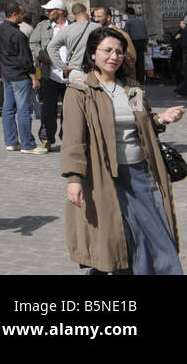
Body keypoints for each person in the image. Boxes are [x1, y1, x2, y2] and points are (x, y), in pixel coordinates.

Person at [62, 27, 185, 275]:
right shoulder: (80, 91)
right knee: (119, 237)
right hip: (104, 176)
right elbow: (74, 138)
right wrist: (74, 178)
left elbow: (145, 123)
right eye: (107, 50)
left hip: (141, 173)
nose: (114, 56)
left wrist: (162, 118)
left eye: (119, 51)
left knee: (157, 236)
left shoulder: (132, 88)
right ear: (92, 54)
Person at [0, 2, 44, 153]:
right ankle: (28, 144)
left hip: (7, 74)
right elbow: (25, 59)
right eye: (22, 13)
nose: (23, 15)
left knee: (8, 108)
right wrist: (34, 78)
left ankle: (11, 142)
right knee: (23, 110)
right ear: (14, 14)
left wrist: (1, 60)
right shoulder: (17, 34)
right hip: (20, 76)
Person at [32, 0, 69, 149]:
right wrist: (41, 55)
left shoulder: (72, 27)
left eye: (50, 10)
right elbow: (33, 43)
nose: (47, 12)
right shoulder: (43, 26)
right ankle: (47, 138)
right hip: (50, 74)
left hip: (69, 75)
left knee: (69, 110)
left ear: (59, 11)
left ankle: (67, 137)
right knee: (48, 108)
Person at [124, 7, 150, 86]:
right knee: (141, 61)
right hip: (142, 42)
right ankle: (141, 79)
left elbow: (126, 34)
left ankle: (134, 79)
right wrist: (146, 42)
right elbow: (145, 32)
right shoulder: (141, 20)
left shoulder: (129, 21)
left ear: (128, 14)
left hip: (133, 42)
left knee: (133, 61)